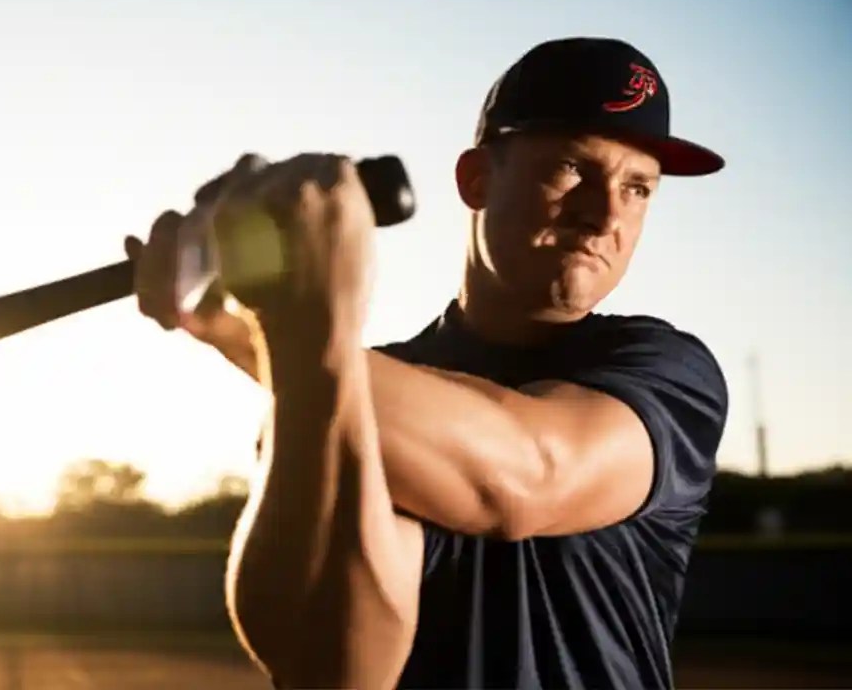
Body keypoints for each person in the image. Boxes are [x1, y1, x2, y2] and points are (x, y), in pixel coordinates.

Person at [125, 37, 728, 690]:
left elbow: (524, 478)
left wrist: (275, 335)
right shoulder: (336, 383)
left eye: (638, 187)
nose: (607, 212)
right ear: (476, 179)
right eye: (571, 167)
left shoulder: (665, 371)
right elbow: (337, 668)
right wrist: (254, 329)